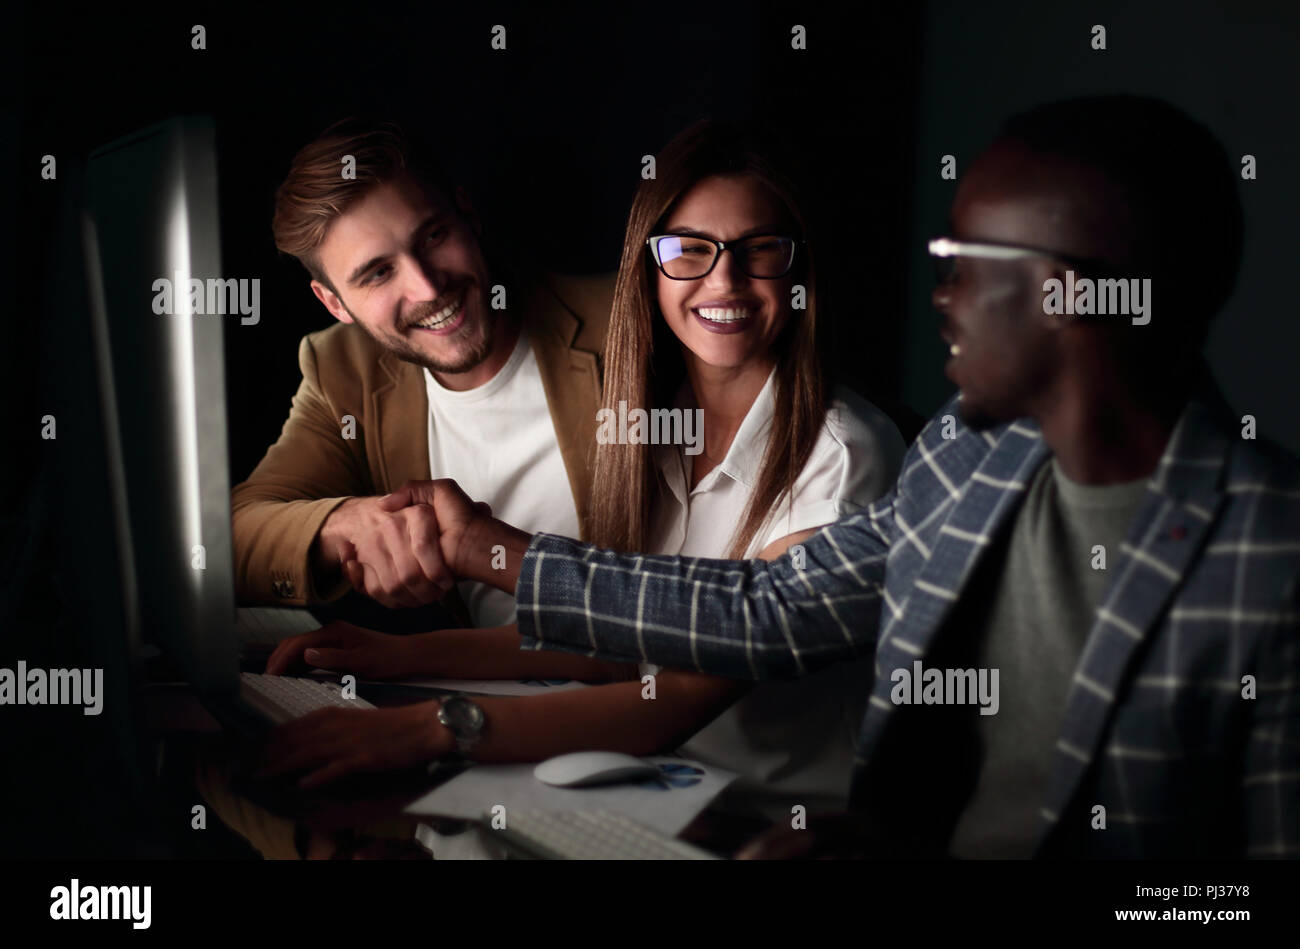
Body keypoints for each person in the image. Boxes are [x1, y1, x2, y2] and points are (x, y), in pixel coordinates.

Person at [389, 97, 1300, 859]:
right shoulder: (966, 455)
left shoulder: (1271, 556)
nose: (939, 296)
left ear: (1074, 295)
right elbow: (764, 611)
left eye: (964, 263)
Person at [259, 119, 905, 834]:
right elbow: (629, 636)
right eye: (688, 250)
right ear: (647, 265)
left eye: (761, 251)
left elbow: (682, 692)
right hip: (643, 790)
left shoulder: (846, 453)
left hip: (767, 826)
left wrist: (438, 725)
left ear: (800, 265)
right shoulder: (649, 419)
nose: (724, 280)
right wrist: (401, 654)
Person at [231, 117, 611, 627]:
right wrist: (342, 527)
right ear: (333, 303)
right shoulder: (343, 371)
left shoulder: (623, 321)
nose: (428, 287)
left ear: (466, 214)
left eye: (433, 236)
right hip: (479, 690)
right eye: (379, 273)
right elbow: (231, 534)